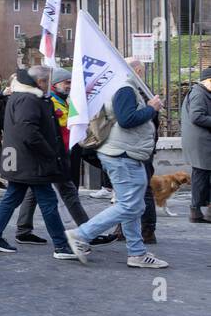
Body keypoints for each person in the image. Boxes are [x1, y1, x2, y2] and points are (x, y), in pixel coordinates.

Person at [0, 67, 92, 262]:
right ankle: (61, 245)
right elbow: (28, 131)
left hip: (24, 160)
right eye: (47, 81)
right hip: (32, 161)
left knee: (12, 197)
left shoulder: (22, 96)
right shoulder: (29, 99)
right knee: (48, 202)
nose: (49, 85)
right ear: (40, 82)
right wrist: (49, 152)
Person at [67, 59, 168, 268]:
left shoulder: (121, 87)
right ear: (137, 70)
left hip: (126, 154)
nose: (143, 74)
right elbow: (127, 119)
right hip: (123, 155)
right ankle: (80, 235)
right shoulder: (125, 88)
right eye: (142, 70)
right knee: (130, 205)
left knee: (133, 206)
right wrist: (151, 108)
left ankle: (137, 253)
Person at [13, 68, 90, 244]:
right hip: (53, 153)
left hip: (56, 152)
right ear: (55, 84)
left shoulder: (60, 101)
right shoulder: (50, 101)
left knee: (33, 191)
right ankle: (88, 231)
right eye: (67, 82)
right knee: (68, 191)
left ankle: (22, 229)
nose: (70, 86)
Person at [180, 66, 211, 224]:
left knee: (203, 176)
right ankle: (196, 210)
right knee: (201, 176)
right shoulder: (199, 93)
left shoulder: (203, 91)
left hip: (202, 141)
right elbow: (197, 116)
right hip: (201, 142)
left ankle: (200, 211)